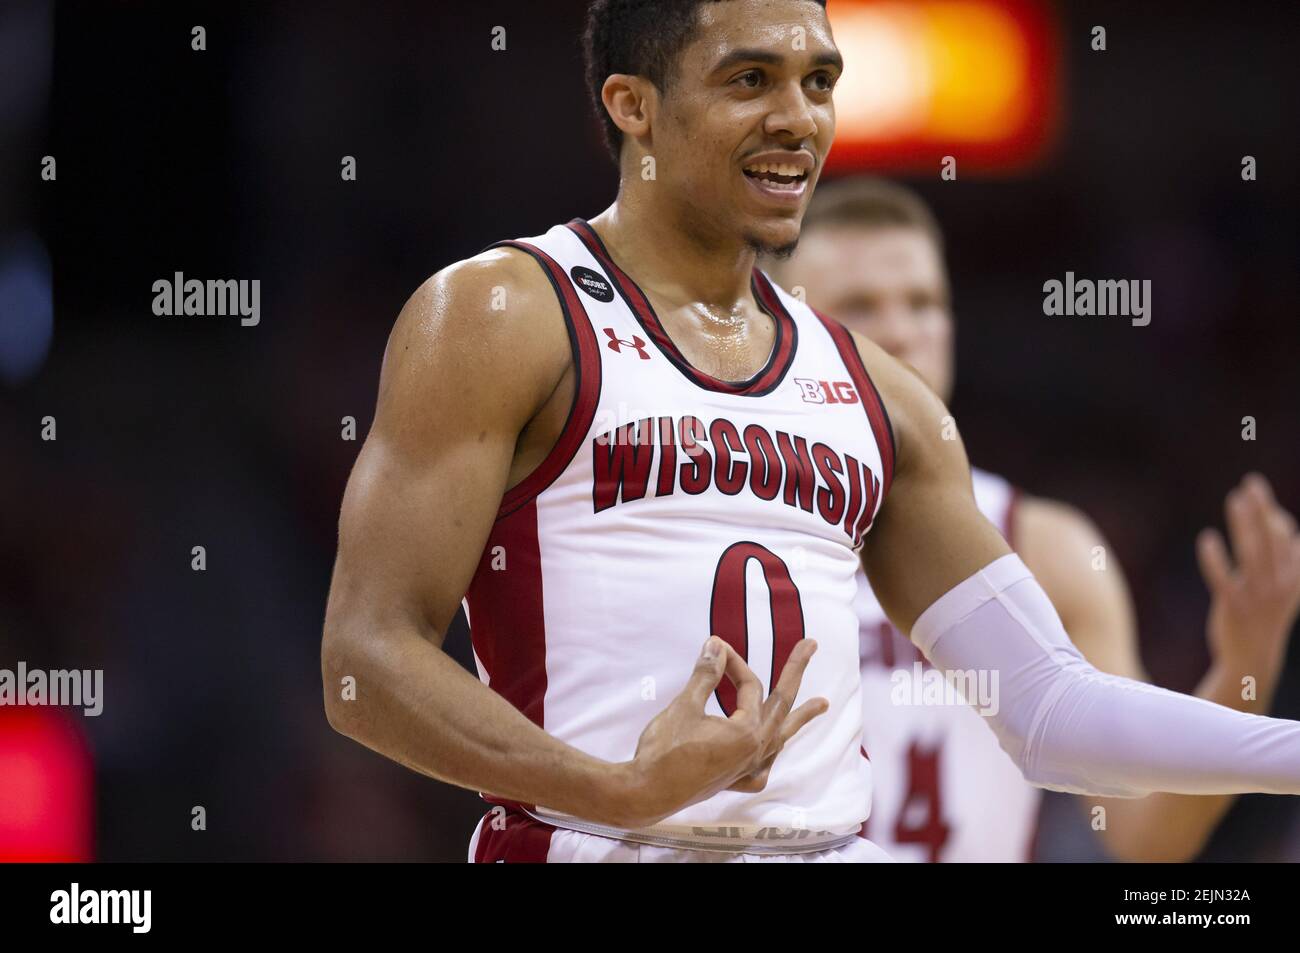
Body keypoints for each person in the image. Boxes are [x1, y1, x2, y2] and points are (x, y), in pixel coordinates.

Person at [319, 0, 1300, 863]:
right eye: (750, 78)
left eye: (818, 79)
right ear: (633, 104)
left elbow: (1051, 710)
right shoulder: (504, 312)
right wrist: (609, 786)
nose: (798, 118)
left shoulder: (882, 396)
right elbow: (363, 660)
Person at [770, 177, 1300, 861]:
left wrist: (1244, 666)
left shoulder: (1046, 545)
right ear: (786, 331)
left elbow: (1144, 838)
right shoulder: (722, 531)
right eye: (861, 306)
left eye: (924, 303)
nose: (902, 331)